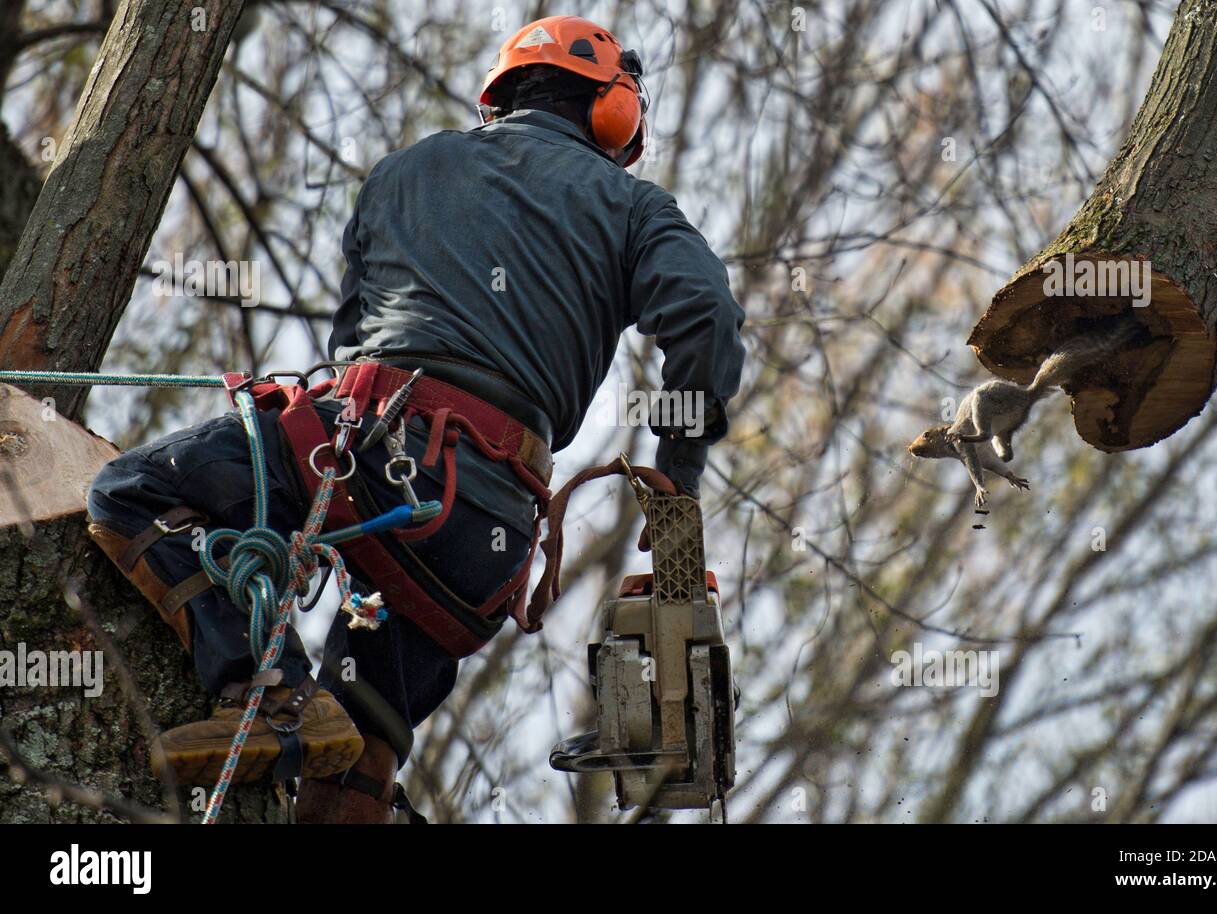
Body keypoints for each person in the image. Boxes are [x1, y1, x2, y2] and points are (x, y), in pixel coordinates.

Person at [86, 14, 745, 823]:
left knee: (129, 492)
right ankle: (336, 762)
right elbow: (706, 316)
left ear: (496, 99)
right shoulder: (633, 206)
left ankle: (266, 685)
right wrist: (676, 481)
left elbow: (350, 343)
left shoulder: (407, 170)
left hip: (366, 455)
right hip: (483, 550)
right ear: (613, 112)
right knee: (356, 763)